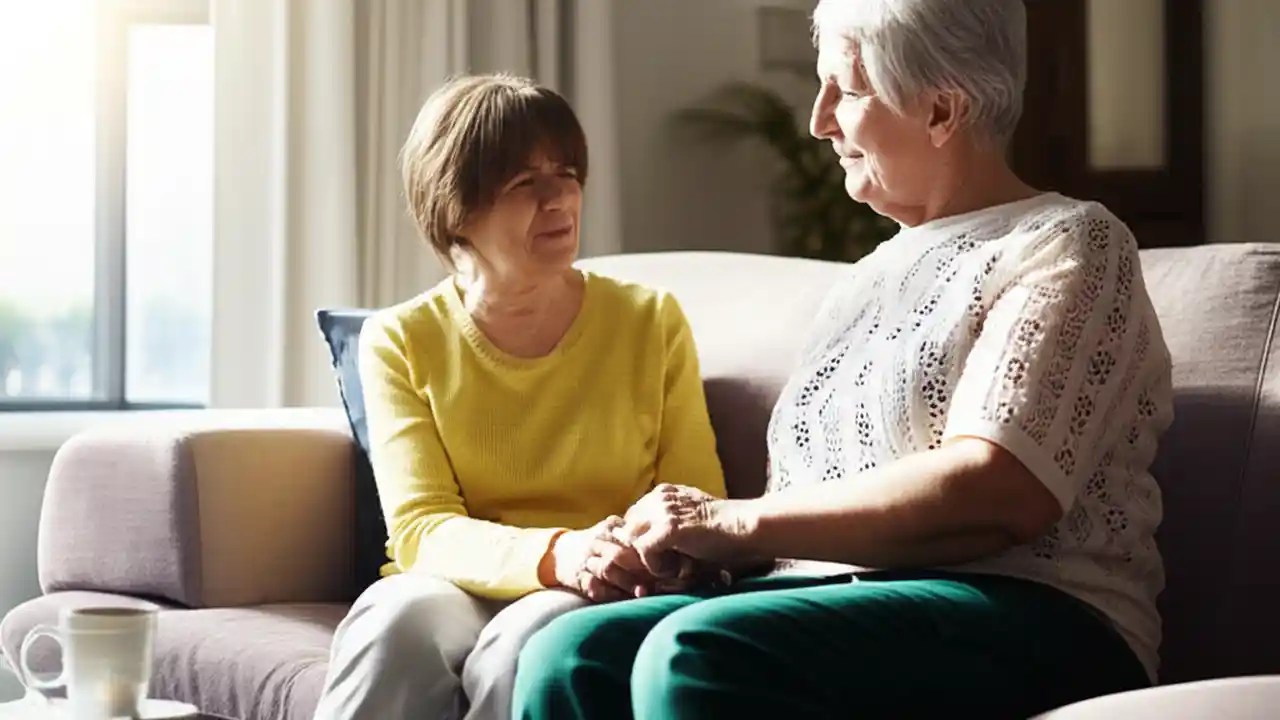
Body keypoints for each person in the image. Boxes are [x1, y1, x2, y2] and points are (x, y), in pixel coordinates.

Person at [513, 1, 1174, 718]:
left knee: (697, 652)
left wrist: (733, 523)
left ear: (942, 110)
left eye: (846, 90)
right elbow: (815, 519)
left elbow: (1000, 490)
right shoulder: (863, 279)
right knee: (567, 654)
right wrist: (693, 550)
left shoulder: (1067, 242)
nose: (818, 121)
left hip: (1037, 614)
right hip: (827, 601)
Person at [312, 74, 726, 720]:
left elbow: (697, 499)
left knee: (522, 645)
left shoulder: (650, 321)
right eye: (522, 183)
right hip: (464, 580)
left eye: (566, 172)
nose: (559, 197)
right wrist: (558, 552)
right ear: (455, 208)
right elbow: (422, 530)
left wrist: (637, 555)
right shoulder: (402, 339)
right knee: (393, 622)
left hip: (603, 582)